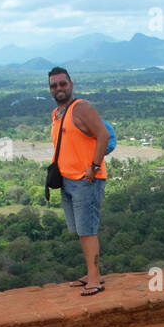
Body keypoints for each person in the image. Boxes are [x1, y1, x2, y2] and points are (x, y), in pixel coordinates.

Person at [48, 67, 110, 296]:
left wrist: (94, 167)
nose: (59, 88)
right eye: (54, 85)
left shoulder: (81, 108)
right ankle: (91, 273)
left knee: (87, 230)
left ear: (71, 84)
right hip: (68, 180)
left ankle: (95, 279)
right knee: (81, 231)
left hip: (86, 180)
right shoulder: (57, 113)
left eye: (62, 84)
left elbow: (102, 135)